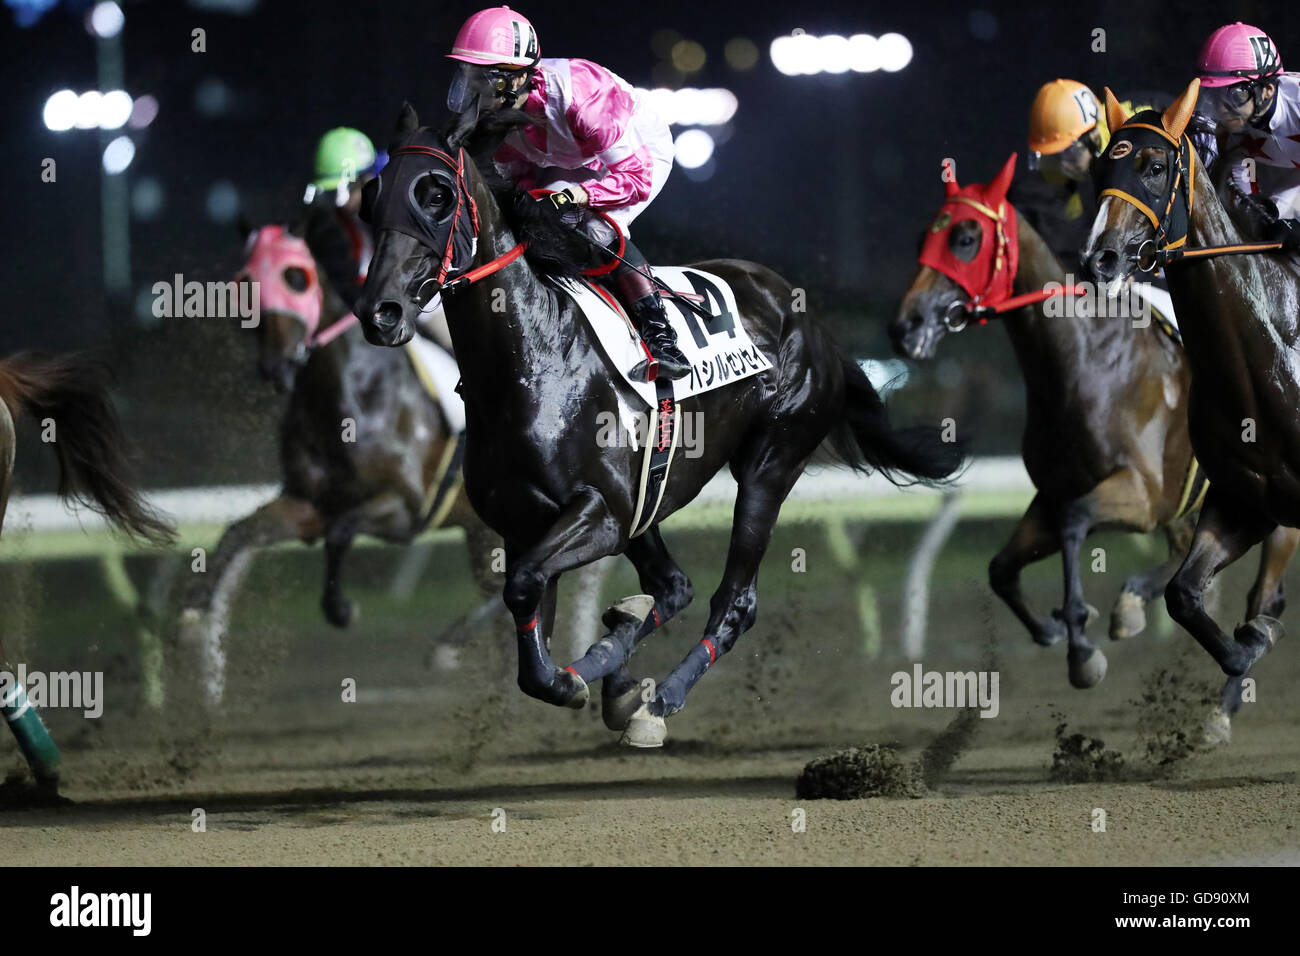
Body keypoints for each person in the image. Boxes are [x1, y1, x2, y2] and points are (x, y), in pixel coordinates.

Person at [444, 5, 689, 378]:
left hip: (636, 153)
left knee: (592, 226)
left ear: (515, 79)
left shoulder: (578, 94)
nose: (473, 90)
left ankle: (660, 336)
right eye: (469, 75)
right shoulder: (504, 116)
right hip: (572, 157)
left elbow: (635, 176)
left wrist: (578, 197)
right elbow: (518, 177)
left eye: (483, 79)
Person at [1013, 80, 1177, 271]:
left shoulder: (1131, 140)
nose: (1063, 165)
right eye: (1053, 157)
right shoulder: (1067, 165)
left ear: (1093, 139)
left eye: (1069, 153)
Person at [1195, 22, 1300, 251]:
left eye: (1234, 94)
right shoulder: (1231, 135)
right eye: (1214, 94)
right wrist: (1267, 213)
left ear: (1268, 89)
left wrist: (1281, 208)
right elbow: (1248, 198)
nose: (1221, 109)